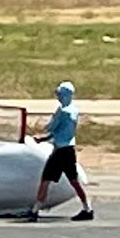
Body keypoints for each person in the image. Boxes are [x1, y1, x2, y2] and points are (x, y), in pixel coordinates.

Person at [26, 81, 93, 222]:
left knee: (45, 180)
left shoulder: (62, 111)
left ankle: (35, 210)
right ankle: (87, 208)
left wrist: (42, 136)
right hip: (69, 150)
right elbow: (61, 131)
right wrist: (45, 138)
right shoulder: (74, 110)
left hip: (60, 151)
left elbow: (52, 127)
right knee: (74, 181)